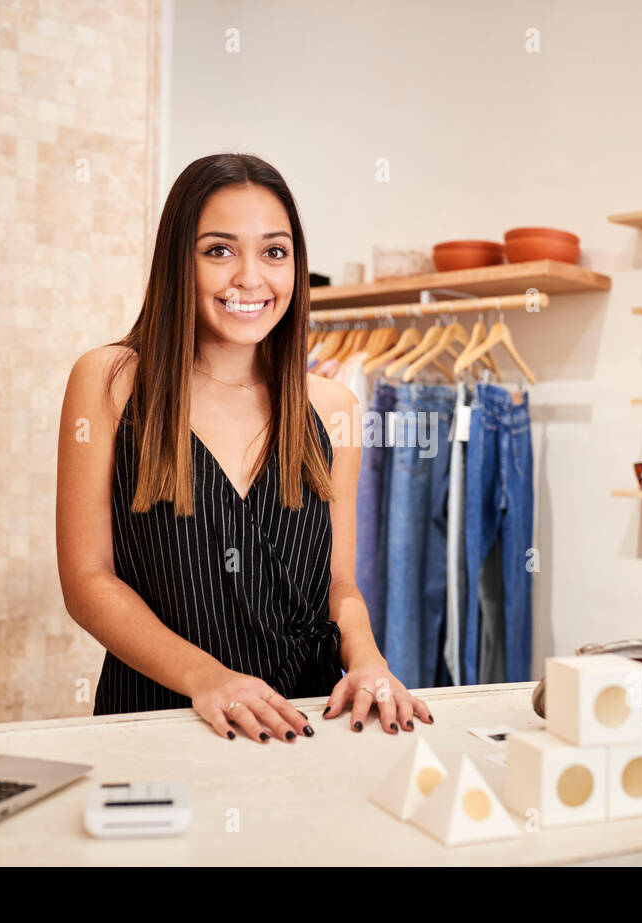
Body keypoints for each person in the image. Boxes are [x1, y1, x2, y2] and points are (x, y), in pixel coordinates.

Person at [56, 153, 432, 742]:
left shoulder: (334, 409)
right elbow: (88, 579)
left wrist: (367, 662)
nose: (250, 278)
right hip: (157, 721)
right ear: (179, 261)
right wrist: (209, 679)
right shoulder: (109, 382)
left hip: (305, 724)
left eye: (274, 252)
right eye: (220, 250)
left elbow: (339, 585)